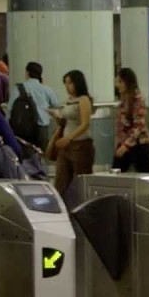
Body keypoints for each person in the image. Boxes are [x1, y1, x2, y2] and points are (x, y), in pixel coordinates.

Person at [50, 70, 95, 198]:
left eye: (70, 83)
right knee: (61, 181)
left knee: (80, 182)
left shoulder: (84, 99)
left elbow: (85, 123)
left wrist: (68, 138)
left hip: (80, 145)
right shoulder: (69, 101)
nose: (67, 87)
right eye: (65, 83)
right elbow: (68, 119)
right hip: (66, 146)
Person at [9, 62, 63, 149]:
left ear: (27, 73)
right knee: (42, 154)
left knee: (25, 154)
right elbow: (56, 104)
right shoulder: (47, 89)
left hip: (23, 127)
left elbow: (10, 108)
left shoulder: (18, 88)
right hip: (42, 127)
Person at [112, 68, 149, 174]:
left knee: (142, 175)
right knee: (116, 173)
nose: (117, 85)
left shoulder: (137, 99)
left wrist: (126, 145)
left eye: (120, 82)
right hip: (123, 142)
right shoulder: (123, 101)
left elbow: (139, 126)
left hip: (137, 144)